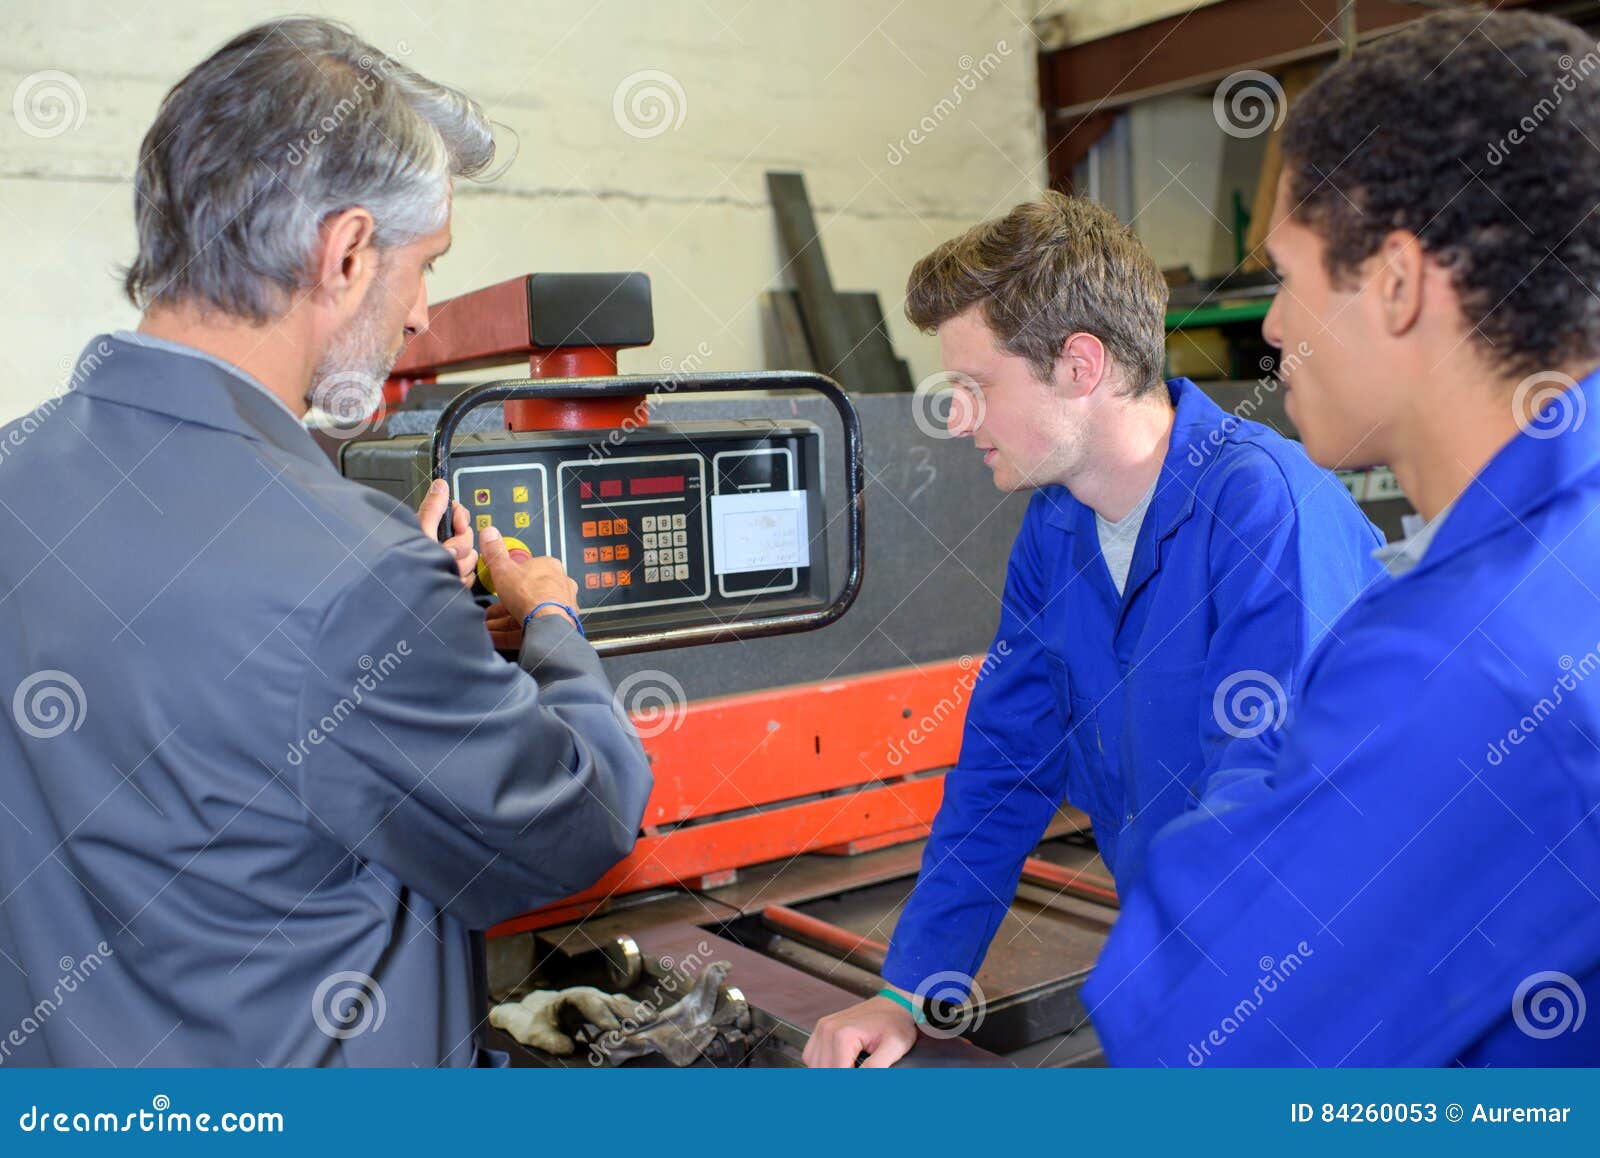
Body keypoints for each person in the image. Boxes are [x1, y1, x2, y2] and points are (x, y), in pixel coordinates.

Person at [0, 18, 652, 1067]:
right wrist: (552, 627)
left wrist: (409, 636)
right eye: (424, 266)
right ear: (346, 254)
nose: (420, 316)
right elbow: (574, 824)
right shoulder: (350, 576)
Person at [1086, 8, 1600, 1065]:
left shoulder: (1466, 668)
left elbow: (1189, 1040)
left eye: (1286, 272)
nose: (1270, 325)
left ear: (1398, 283)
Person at [804, 192, 1383, 1067]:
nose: (958, 419)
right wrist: (910, 987)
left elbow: (1262, 786)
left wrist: (1158, 987)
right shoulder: (1057, 527)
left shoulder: (1264, 507)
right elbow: (1005, 765)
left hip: (1328, 995)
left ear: (1079, 365)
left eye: (975, 387)